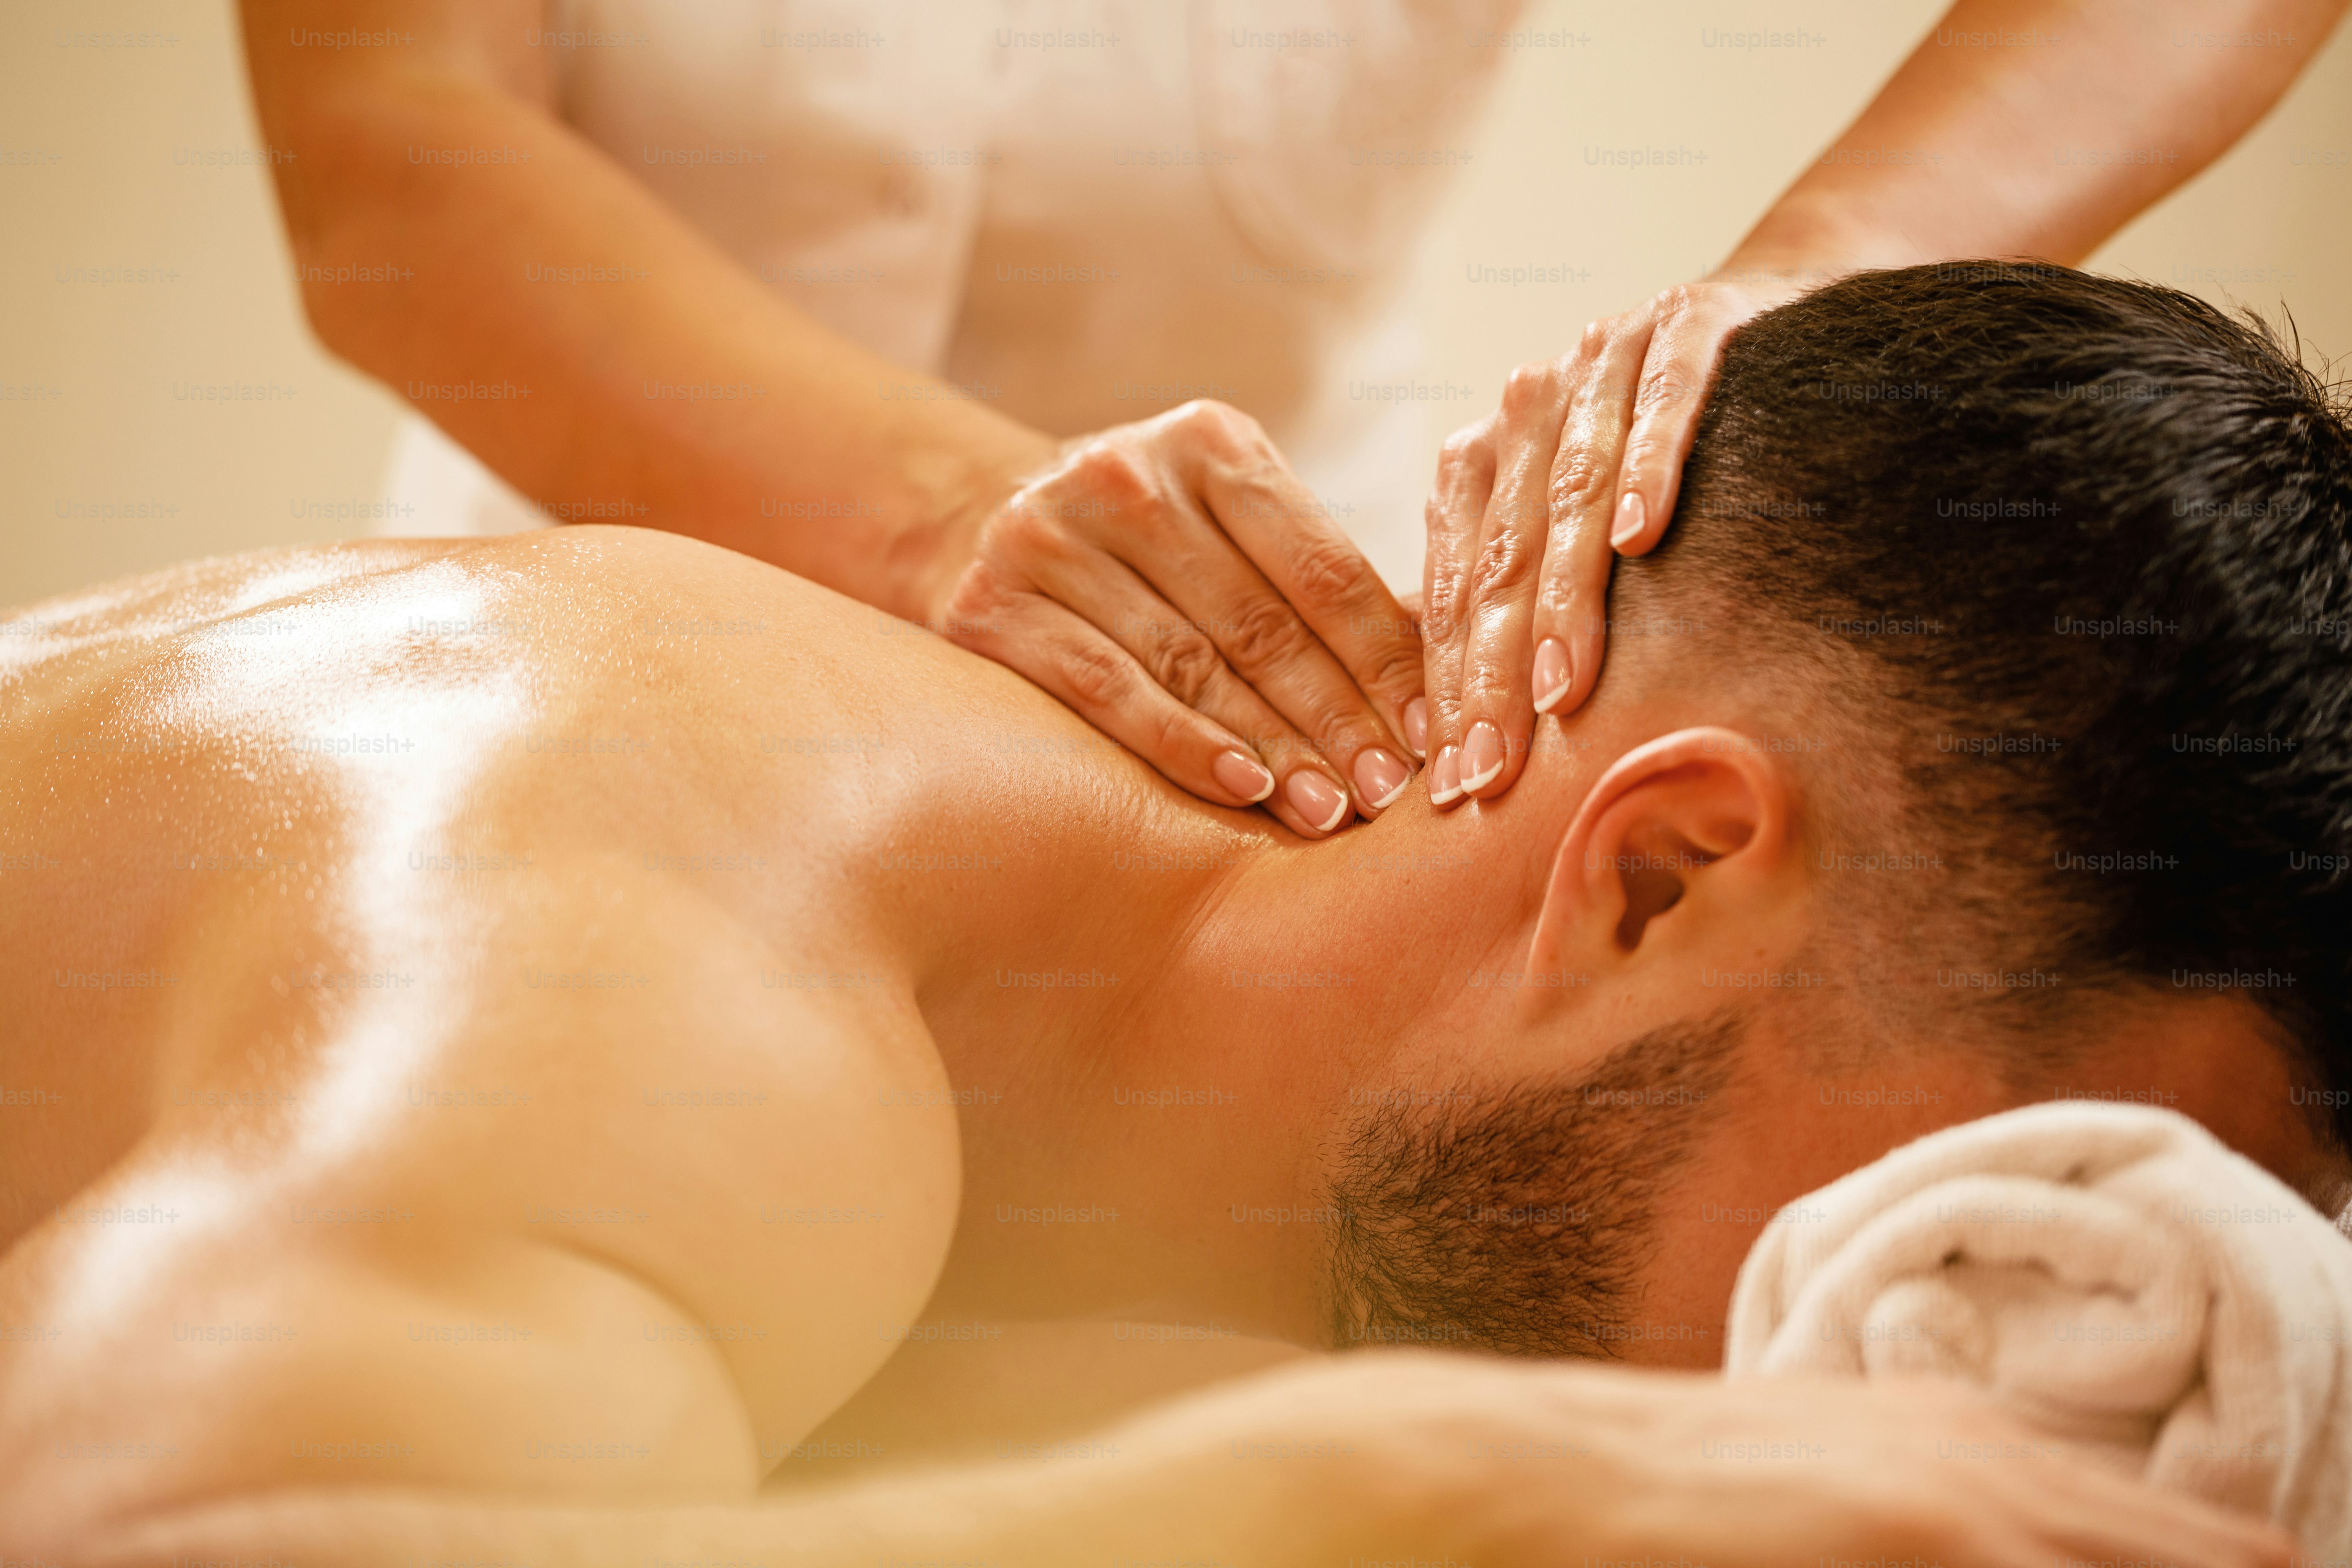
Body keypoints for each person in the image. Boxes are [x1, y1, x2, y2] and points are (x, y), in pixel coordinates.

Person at [2, 263, 2346, 1564]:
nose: (1977, 1423)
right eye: (2003, 1248)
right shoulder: (661, 887)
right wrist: (1408, 1501)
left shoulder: (1159, 1295)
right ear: (1654, 881)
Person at [238, 0, 2349, 833]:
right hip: (547, 652)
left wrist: (1820, 267)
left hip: (1279, 715)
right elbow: (389, 152)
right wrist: (943, 519)